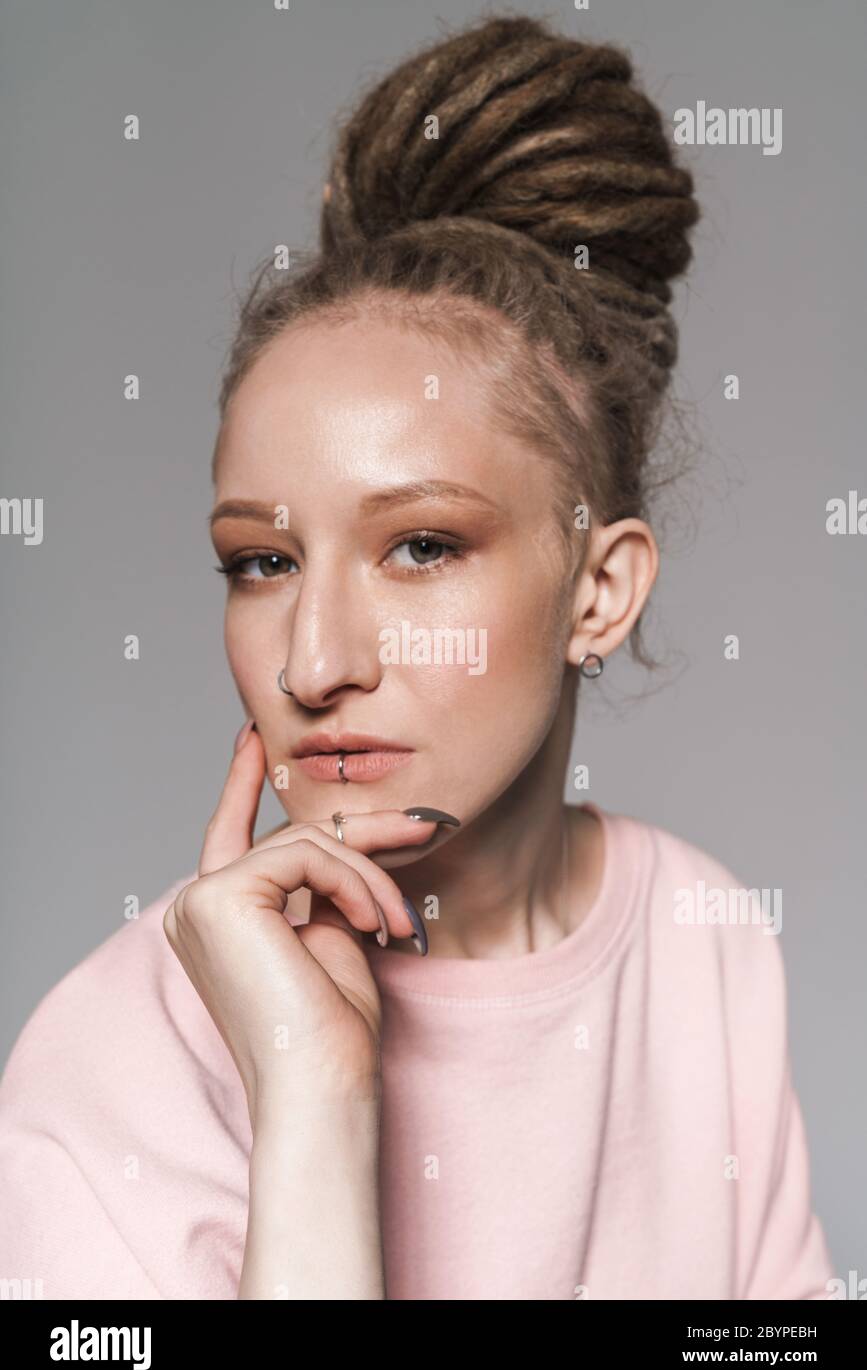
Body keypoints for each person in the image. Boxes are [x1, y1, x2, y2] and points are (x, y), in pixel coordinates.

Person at [0, 13, 834, 1300]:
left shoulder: (700, 939)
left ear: (598, 591)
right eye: (261, 563)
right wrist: (318, 1090)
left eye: (421, 546)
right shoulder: (108, 1063)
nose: (315, 661)